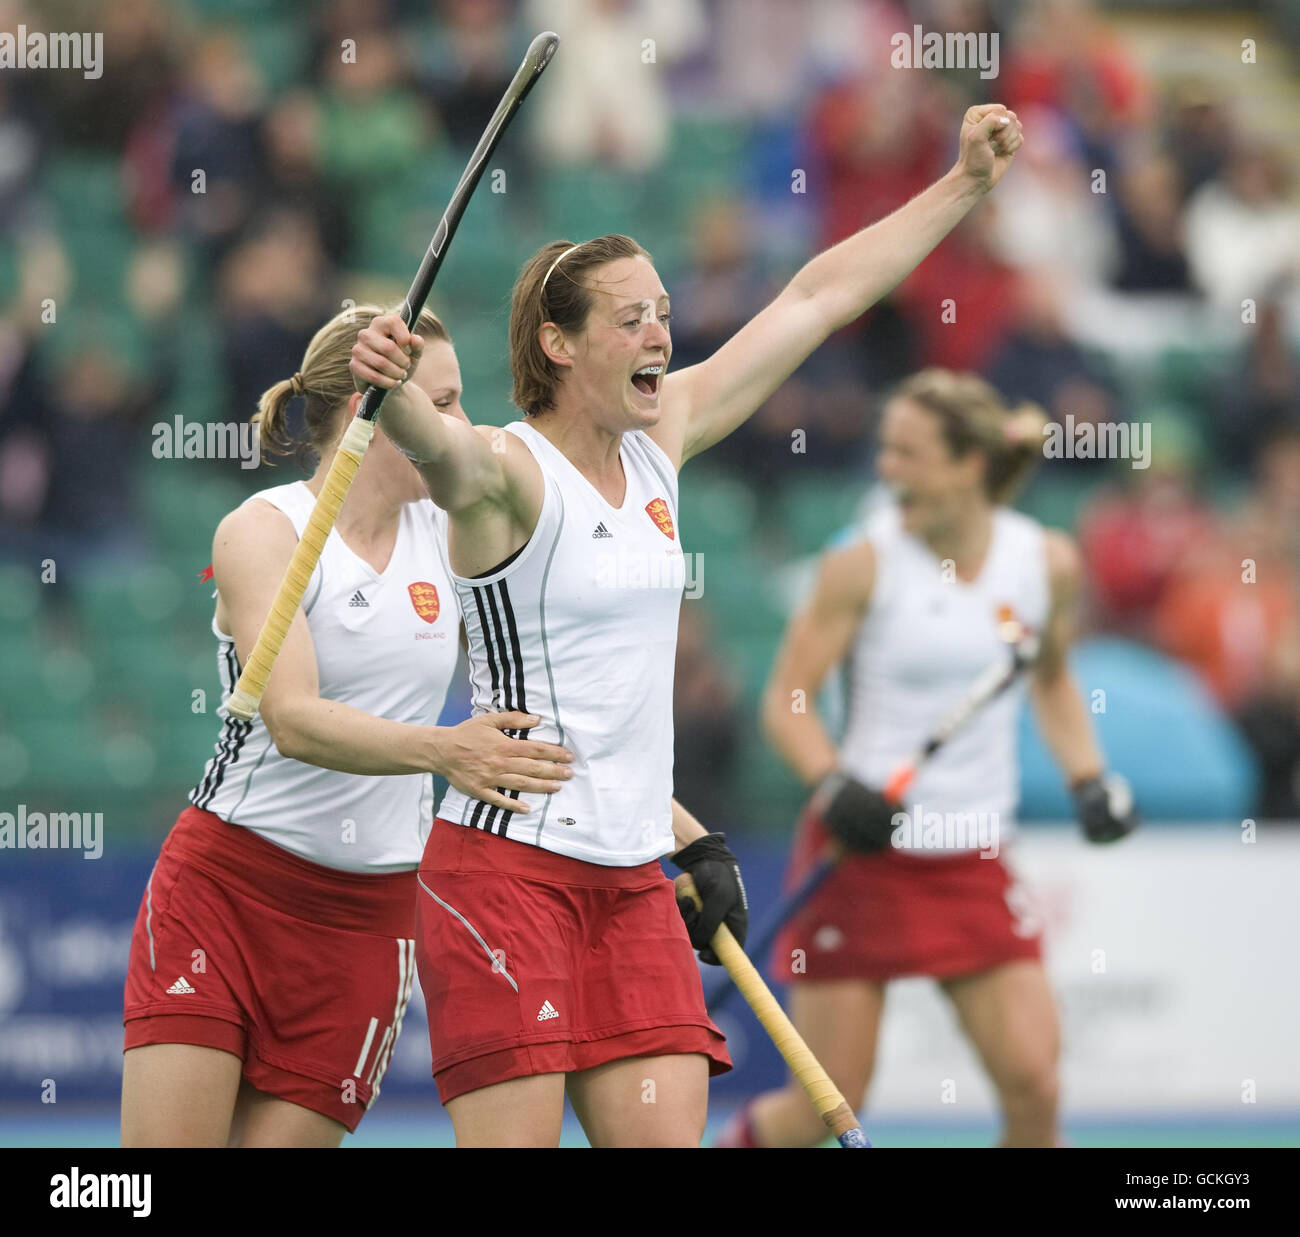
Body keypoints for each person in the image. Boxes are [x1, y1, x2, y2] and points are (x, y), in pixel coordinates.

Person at [346, 104, 1028, 1146]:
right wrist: (387, 384)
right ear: (557, 342)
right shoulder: (506, 472)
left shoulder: (665, 434)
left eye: (661, 312)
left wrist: (963, 184)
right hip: (503, 878)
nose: (658, 333)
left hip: (634, 880)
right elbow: (439, 456)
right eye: (629, 318)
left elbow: (818, 295)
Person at [120, 305, 575, 1147]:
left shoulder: (453, 537)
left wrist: (678, 831)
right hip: (227, 887)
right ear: (373, 404)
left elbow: (561, 682)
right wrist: (448, 751)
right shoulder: (264, 530)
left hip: (369, 919)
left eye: (461, 401)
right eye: (439, 404)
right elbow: (292, 720)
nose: (461, 427)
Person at [719, 369, 1138, 1149]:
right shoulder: (863, 564)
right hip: (861, 853)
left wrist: (1089, 777)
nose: (887, 469)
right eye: (885, 450)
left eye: (908, 453)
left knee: (1036, 1086)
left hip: (974, 856)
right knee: (823, 1107)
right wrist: (832, 782)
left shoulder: (1045, 562)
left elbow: (1049, 678)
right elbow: (789, 699)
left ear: (971, 464)